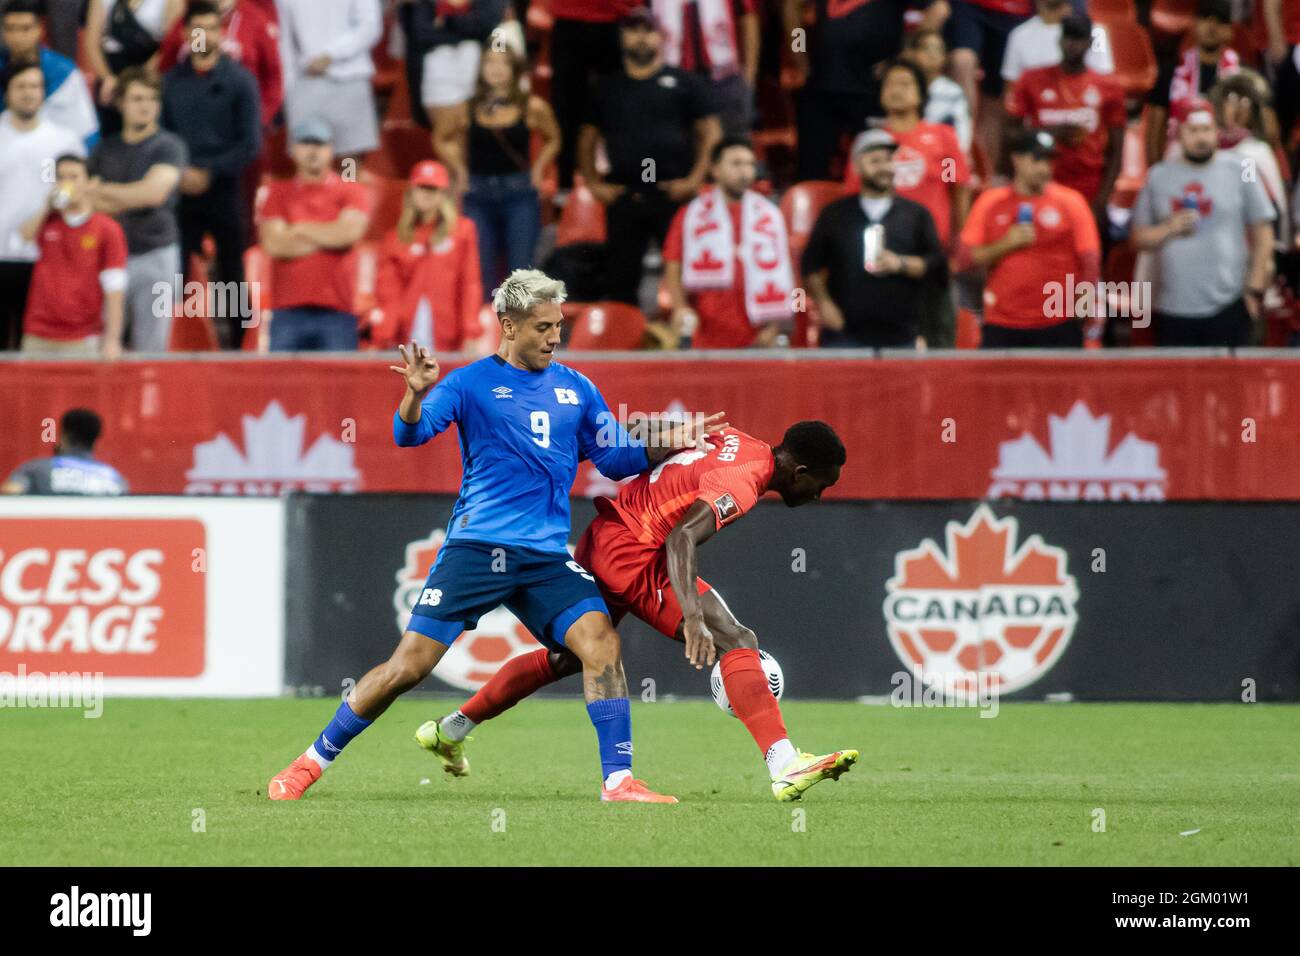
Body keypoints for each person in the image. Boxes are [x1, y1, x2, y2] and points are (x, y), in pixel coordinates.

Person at [267, 269, 725, 804]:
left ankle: (618, 781)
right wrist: (415, 395)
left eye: (559, 326)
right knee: (407, 667)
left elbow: (616, 458)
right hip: (478, 547)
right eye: (542, 327)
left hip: (546, 557)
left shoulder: (576, 388)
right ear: (508, 325)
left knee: (601, 642)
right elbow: (408, 434)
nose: (555, 337)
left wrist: (669, 443)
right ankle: (307, 764)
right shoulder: (468, 383)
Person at [421, 421, 859, 803]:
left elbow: (642, 432)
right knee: (736, 639)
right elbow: (681, 539)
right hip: (636, 551)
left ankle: (453, 728)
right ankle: (784, 764)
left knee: (571, 658)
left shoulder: (735, 440)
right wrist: (690, 615)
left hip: (606, 534)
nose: (819, 495)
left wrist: (659, 427)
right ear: (799, 471)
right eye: (822, 484)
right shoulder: (744, 479)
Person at [578, 6, 721, 306]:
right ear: (621, 37)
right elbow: (587, 138)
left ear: (660, 37)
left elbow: (712, 133)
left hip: (673, 192)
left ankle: (686, 338)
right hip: (625, 193)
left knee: (686, 276)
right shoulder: (607, 87)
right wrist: (592, 182)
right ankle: (623, 341)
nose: (641, 38)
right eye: (633, 30)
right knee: (620, 281)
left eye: (648, 31)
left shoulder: (685, 82)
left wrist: (696, 179)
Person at [1132, 97, 1276, 346]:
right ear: (1179, 134)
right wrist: (1168, 228)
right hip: (1173, 307)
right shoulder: (1158, 175)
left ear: (1217, 132)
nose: (1201, 138)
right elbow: (1137, 239)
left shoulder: (1243, 167)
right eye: (1194, 131)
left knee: (1230, 383)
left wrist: (1254, 290)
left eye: (1207, 130)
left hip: (1229, 303)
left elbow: (1263, 231)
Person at [162, 0, 261, 347]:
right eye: (197, 29)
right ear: (187, 34)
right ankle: (172, 343)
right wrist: (179, 173)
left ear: (221, 32)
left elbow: (250, 144)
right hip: (179, 190)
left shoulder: (241, 81)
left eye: (212, 27)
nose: (204, 36)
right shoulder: (170, 83)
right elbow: (162, 137)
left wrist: (209, 171)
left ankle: (238, 347)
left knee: (231, 272)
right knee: (173, 270)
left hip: (223, 188)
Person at [957, 127, 1101, 347]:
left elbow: (1090, 261)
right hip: (1002, 321)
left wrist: (1082, 311)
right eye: (1036, 160)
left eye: (1048, 161)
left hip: (1058, 320)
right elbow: (965, 258)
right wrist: (1006, 244)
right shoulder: (990, 202)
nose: (1044, 168)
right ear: (1017, 159)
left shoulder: (1072, 202)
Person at [803, 129, 945, 349]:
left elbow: (936, 264)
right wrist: (824, 304)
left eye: (888, 160)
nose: (884, 167)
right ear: (857, 166)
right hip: (845, 335)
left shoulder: (916, 214)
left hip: (903, 335)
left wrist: (900, 264)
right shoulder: (835, 214)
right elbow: (809, 265)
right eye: (875, 161)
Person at [440, 44, 559, 297]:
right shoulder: (467, 107)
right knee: (480, 271)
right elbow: (441, 138)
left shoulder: (532, 106)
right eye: (489, 62)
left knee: (521, 274)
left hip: (519, 194)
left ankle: (518, 334)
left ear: (514, 70)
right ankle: (484, 331)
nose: (495, 69)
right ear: (481, 69)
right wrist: (459, 170)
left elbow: (554, 138)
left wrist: (539, 168)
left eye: (503, 63)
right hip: (477, 194)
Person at [783, 0, 947, 181]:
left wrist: (905, 54)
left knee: (880, 169)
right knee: (810, 172)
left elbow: (939, 8)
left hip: (875, 91)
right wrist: (799, 55)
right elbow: (792, 6)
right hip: (821, 86)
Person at [90, 67, 187, 353]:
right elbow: (86, 201)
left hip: (155, 255)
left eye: (152, 99)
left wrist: (104, 192)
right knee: (105, 347)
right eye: (137, 99)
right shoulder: (104, 149)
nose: (146, 106)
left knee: (152, 350)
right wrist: (130, 195)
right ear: (120, 103)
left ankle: (151, 401)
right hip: (110, 259)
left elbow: (154, 194)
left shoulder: (169, 146)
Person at [663, 137, 793, 348]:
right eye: (736, 164)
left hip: (758, 334)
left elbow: (785, 272)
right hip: (706, 331)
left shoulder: (770, 216)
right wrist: (680, 308)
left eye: (750, 164)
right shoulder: (691, 214)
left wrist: (776, 326)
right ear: (715, 169)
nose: (745, 172)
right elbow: (673, 263)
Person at [258, 118, 371, 351]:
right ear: (293, 150)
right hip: (287, 310)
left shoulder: (352, 190)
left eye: (319, 144)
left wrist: (298, 229)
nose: (313, 151)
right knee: (282, 386)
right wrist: (328, 233)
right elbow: (276, 244)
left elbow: (347, 234)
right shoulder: (276, 192)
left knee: (339, 385)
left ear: (330, 150)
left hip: (338, 310)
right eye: (306, 143)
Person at [1005, 14, 1124, 229]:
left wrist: (1102, 200)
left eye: (1078, 39)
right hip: (1042, 181)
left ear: (1089, 42)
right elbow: (1010, 135)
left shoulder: (1108, 86)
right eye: (1068, 37)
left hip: (1089, 183)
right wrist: (1050, 132)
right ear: (1059, 40)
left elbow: (1116, 150)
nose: (1072, 45)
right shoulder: (1031, 80)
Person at [0, 63, 85, 351]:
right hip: (1, 254)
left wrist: (53, 205)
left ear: (43, 93)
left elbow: (74, 191)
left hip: (45, 258)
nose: (28, 93)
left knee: (34, 347)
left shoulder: (63, 140)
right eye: (21, 86)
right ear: (7, 93)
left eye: (35, 86)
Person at [18, 154, 128, 357]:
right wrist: (46, 207)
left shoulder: (107, 229)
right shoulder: (47, 222)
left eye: (73, 177)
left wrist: (112, 339)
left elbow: (114, 288)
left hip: (82, 336)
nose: (66, 183)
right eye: (60, 177)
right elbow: (20, 239)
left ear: (90, 183)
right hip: (39, 333)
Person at [372, 160, 483, 351]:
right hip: (406, 336)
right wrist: (383, 336)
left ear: (443, 194)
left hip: (449, 336)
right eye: (422, 187)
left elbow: (469, 283)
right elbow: (389, 291)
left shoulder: (463, 231)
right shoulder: (395, 239)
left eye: (433, 189)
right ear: (411, 192)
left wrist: (470, 331)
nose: (427, 194)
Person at [156, 0, 284, 130]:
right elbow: (165, 68)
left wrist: (261, 116)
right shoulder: (191, 19)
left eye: (212, 28)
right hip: (190, 118)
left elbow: (273, 73)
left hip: (238, 116)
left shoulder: (254, 19)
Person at [278, 0, 380, 161]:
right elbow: (283, 39)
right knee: (307, 154)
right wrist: (286, 85)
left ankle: (350, 185)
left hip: (350, 79)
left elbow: (370, 26)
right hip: (303, 81)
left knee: (350, 157)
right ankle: (311, 188)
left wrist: (331, 55)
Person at [549, 0, 631, 195]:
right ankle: (564, 184)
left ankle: (626, 182)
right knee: (565, 109)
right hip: (569, 19)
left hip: (617, 19)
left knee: (623, 107)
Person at [945, 0, 1032, 178]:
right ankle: (963, 151)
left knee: (998, 94)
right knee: (962, 62)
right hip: (968, 6)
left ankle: (988, 174)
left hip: (1015, 11)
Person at [1147, 0, 1240, 164]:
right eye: (1205, 19)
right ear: (1195, 24)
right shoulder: (1173, 70)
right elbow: (1155, 125)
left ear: (1230, 31)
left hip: (1227, 158)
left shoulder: (1241, 75)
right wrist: (1156, 170)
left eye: (1219, 21)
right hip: (1181, 156)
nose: (1211, 27)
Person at [651, 0, 760, 138]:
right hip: (672, 79)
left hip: (724, 78)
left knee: (733, 146)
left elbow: (748, 17)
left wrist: (748, 81)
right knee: (676, 150)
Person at [0, 0, 100, 150]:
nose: (17, 37)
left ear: (40, 29)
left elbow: (86, 131)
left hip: (52, 159)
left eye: (25, 28)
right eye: (10, 29)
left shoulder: (64, 73)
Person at [84, 0, 185, 124]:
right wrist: (107, 77)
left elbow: (171, 42)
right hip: (112, 70)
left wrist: (145, 76)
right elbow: (91, 43)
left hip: (151, 69)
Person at [2, 409, 128, 496]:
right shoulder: (114, 478)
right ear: (96, 442)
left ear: (64, 437)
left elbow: (9, 495)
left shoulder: (37, 470)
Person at [1000, 0, 1112, 86]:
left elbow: (1104, 83)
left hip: (1082, 109)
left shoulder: (1096, 33)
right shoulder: (1018, 35)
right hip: (1038, 111)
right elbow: (1012, 96)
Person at [905, 27, 973, 156]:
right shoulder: (902, 85)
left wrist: (956, 157)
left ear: (945, 57)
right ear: (913, 53)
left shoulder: (953, 92)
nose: (932, 54)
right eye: (926, 48)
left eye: (938, 50)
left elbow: (962, 132)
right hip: (908, 153)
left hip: (941, 156)